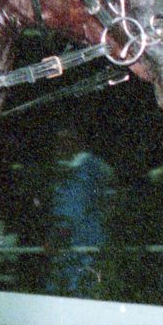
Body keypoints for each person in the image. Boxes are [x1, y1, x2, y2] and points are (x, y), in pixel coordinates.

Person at [45, 126, 116, 297]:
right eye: (58, 141)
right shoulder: (61, 169)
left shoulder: (93, 167)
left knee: (84, 286)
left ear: (77, 141)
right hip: (67, 243)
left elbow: (108, 201)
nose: (60, 145)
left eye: (66, 140)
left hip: (87, 238)